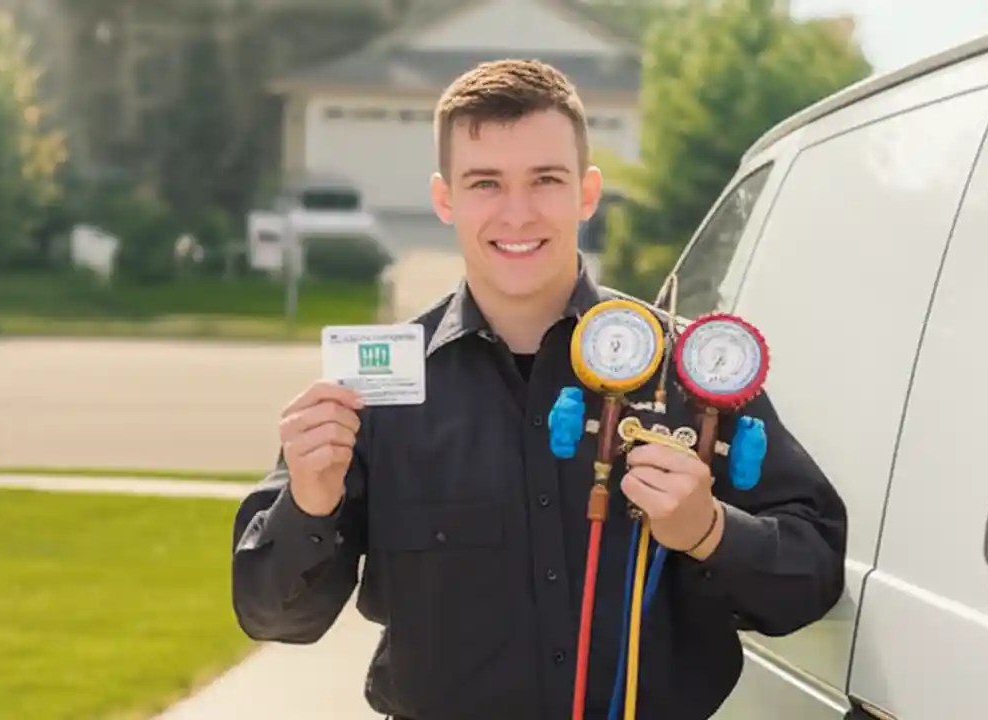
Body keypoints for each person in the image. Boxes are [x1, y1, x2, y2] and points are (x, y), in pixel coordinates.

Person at [231, 59, 847, 720]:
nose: (517, 213)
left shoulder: (692, 372)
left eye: (546, 180)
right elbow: (274, 617)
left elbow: (810, 580)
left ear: (587, 192)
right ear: (446, 199)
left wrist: (707, 530)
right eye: (485, 182)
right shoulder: (376, 395)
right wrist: (311, 502)